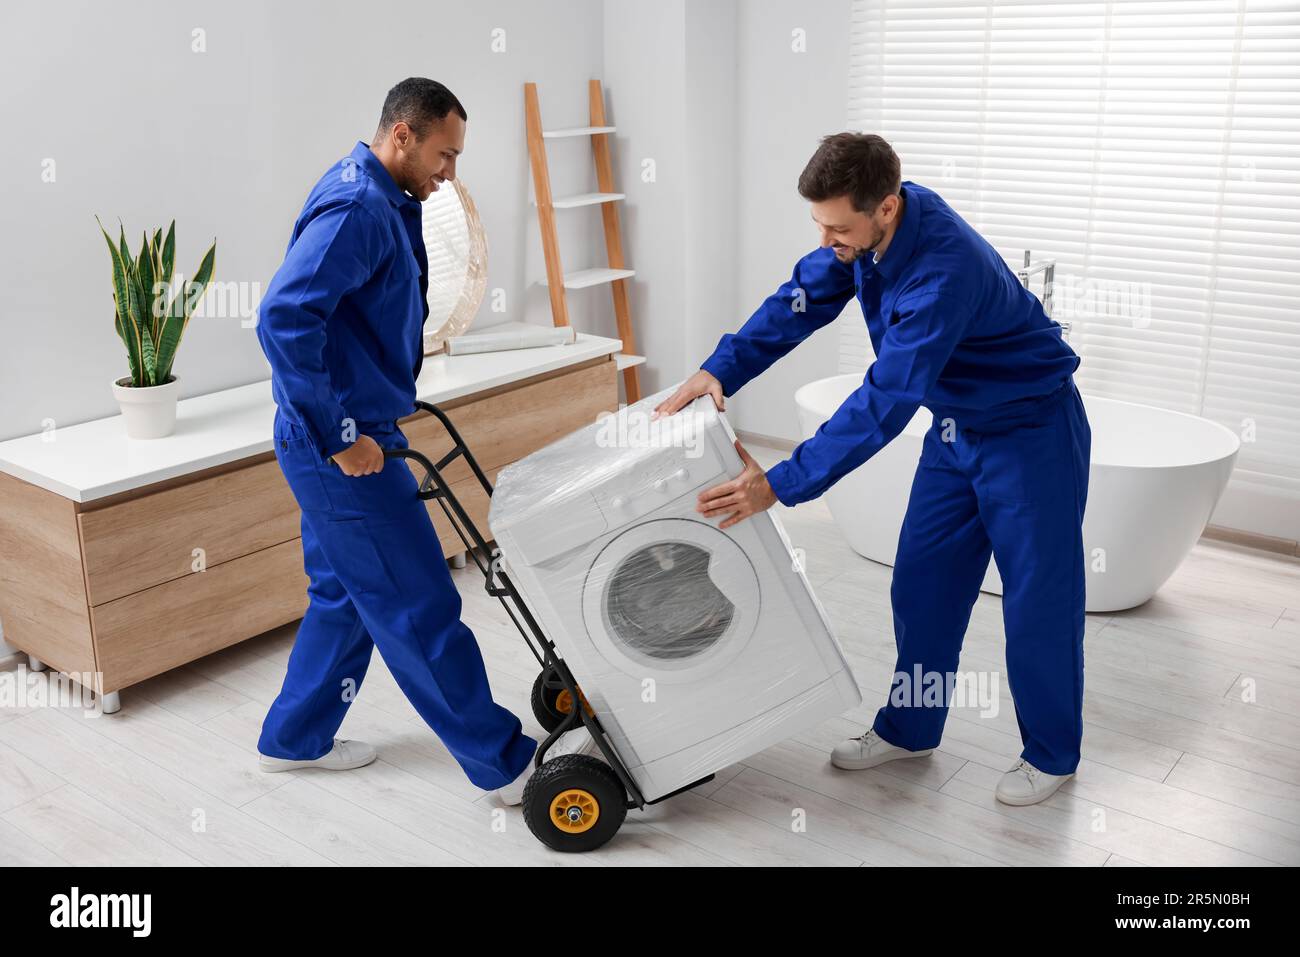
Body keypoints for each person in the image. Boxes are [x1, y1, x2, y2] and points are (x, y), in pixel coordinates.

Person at [655, 133, 1091, 806]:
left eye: (838, 225)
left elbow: (885, 400)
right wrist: (721, 368)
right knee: (923, 583)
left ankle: (1052, 754)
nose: (827, 238)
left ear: (886, 207)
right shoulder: (865, 238)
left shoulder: (943, 271)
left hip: (1030, 432)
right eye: (820, 224)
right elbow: (799, 298)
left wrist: (779, 482)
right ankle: (911, 729)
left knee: (1037, 600)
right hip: (956, 431)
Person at [254, 77, 590, 805]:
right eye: (445, 155)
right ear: (401, 136)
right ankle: (502, 763)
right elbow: (283, 321)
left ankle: (293, 738)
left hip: (345, 431)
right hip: (340, 446)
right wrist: (344, 436)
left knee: (345, 593)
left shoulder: (383, 198)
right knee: (417, 601)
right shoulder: (356, 209)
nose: (450, 174)